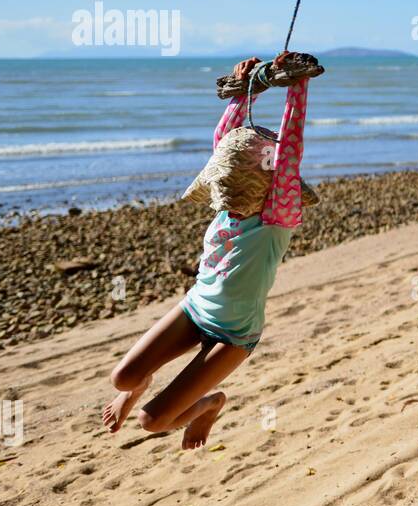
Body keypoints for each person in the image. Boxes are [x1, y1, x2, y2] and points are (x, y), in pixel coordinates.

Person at [101, 51, 309, 449]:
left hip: (233, 337)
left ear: (264, 184)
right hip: (195, 309)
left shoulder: (275, 218)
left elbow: (290, 151)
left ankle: (208, 405)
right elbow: (223, 142)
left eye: (237, 180)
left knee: (153, 422)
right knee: (122, 377)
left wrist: (297, 86)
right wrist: (245, 91)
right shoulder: (224, 205)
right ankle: (134, 390)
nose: (226, 190)